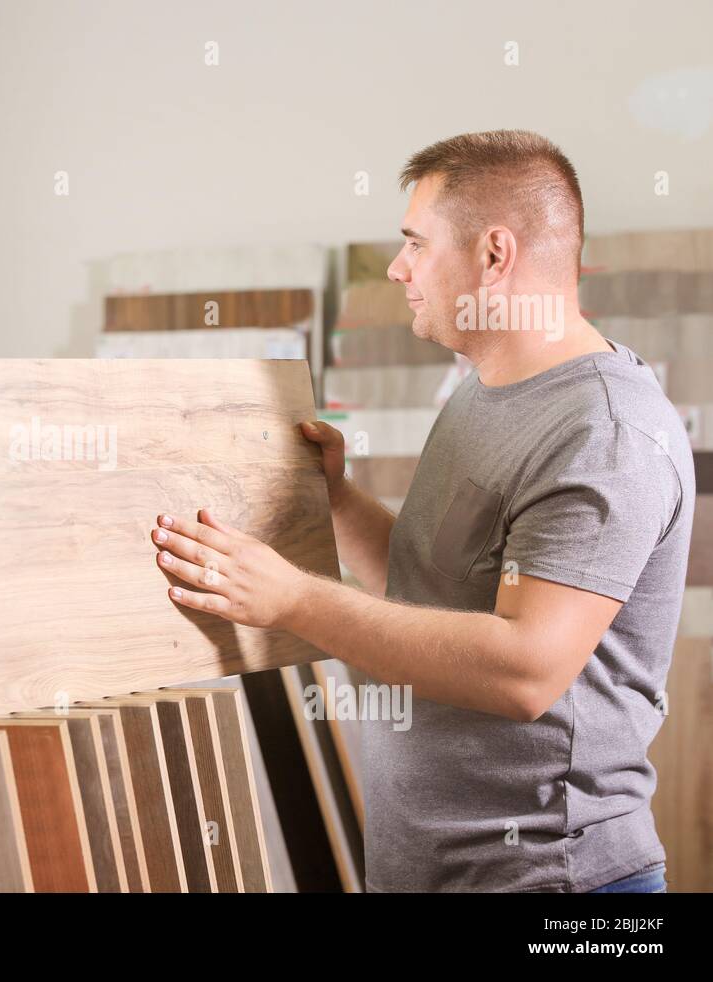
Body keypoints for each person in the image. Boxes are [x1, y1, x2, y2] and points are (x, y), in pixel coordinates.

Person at [150, 131, 693, 892]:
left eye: (415, 243)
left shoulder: (604, 431)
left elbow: (525, 670)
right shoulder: (483, 387)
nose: (399, 269)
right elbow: (433, 586)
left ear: (494, 256)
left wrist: (296, 598)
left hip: (552, 883)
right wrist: (336, 500)